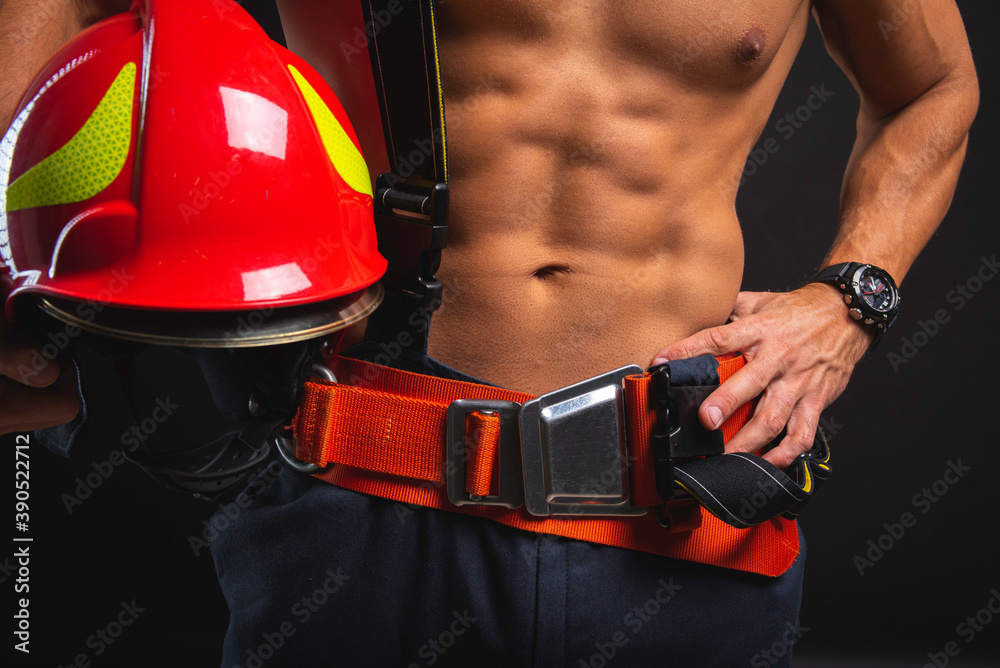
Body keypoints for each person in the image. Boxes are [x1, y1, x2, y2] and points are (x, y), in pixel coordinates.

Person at [0, 0, 979, 665]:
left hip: (680, 501)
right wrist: (15, 271)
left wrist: (852, 298)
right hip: (354, 487)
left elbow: (934, 86)